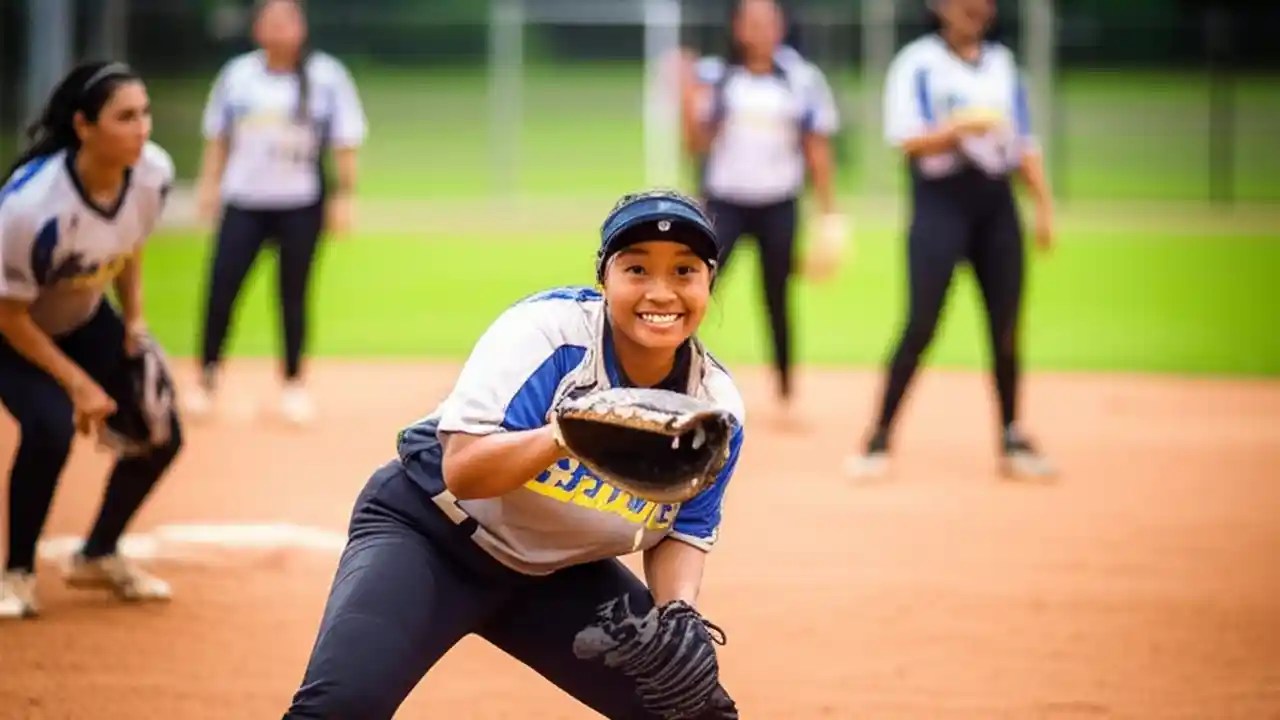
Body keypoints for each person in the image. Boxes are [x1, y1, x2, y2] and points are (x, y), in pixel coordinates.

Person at [283, 189, 745, 719]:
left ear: (710, 282)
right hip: (432, 538)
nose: (661, 293)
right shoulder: (547, 335)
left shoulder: (714, 411)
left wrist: (677, 610)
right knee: (341, 708)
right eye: (636, 269)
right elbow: (464, 471)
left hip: (559, 576)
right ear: (604, 280)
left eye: (685, 271)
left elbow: (685, 527)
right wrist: (568, 435)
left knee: (695, 711)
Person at [845, 0, 1056, 480]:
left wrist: (1042, 205)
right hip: (940, 201)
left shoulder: (1002, 65)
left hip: (997, 204)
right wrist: (959, 128)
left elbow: (1023, 141)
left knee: (1005, 326)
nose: (975, 9)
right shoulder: (918, 63)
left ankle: (1012, 435)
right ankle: (878, 437)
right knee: (921, 322)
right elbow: (907, 139)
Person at [0, 61, 181, 619]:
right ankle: (17, 574)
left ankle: (96, 555)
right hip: (11, 330)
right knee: (50, 428)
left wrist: (135, 323)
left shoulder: (151, 173)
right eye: (125, 116)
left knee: (160, 434)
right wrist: (79, 384)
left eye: (145, 113)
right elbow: (9, 315)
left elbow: (127, 246)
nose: (143, 127)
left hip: (82, 317)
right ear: (83, 126)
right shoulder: (30, 206)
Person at [189, 0, 367, 425]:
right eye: (271, 20)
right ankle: (206, 379)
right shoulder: (238, 76)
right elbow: (218, 137)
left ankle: (292, 384)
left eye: (288, 20)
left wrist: (344, 196)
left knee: (292, 294)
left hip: (300, 204)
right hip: (244, 202)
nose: (280, 29)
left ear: (301, 27)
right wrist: (208, 187)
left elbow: (345, 140)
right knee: (222, 289)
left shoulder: (326, 76)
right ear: (257, 28)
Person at [676, 0, 848, 427]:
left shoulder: (800, 79)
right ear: (737, 28)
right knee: (699, 289)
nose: (761, 30)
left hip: (778, 203)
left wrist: (829, 212)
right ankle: (675, 384)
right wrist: (687, 99)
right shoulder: (716, 77)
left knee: (777, 296)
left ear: (782, 26)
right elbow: (696, 144)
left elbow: (816, 146)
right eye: (751, 22)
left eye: (769, 21)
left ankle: (786, 394)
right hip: (724, 202)